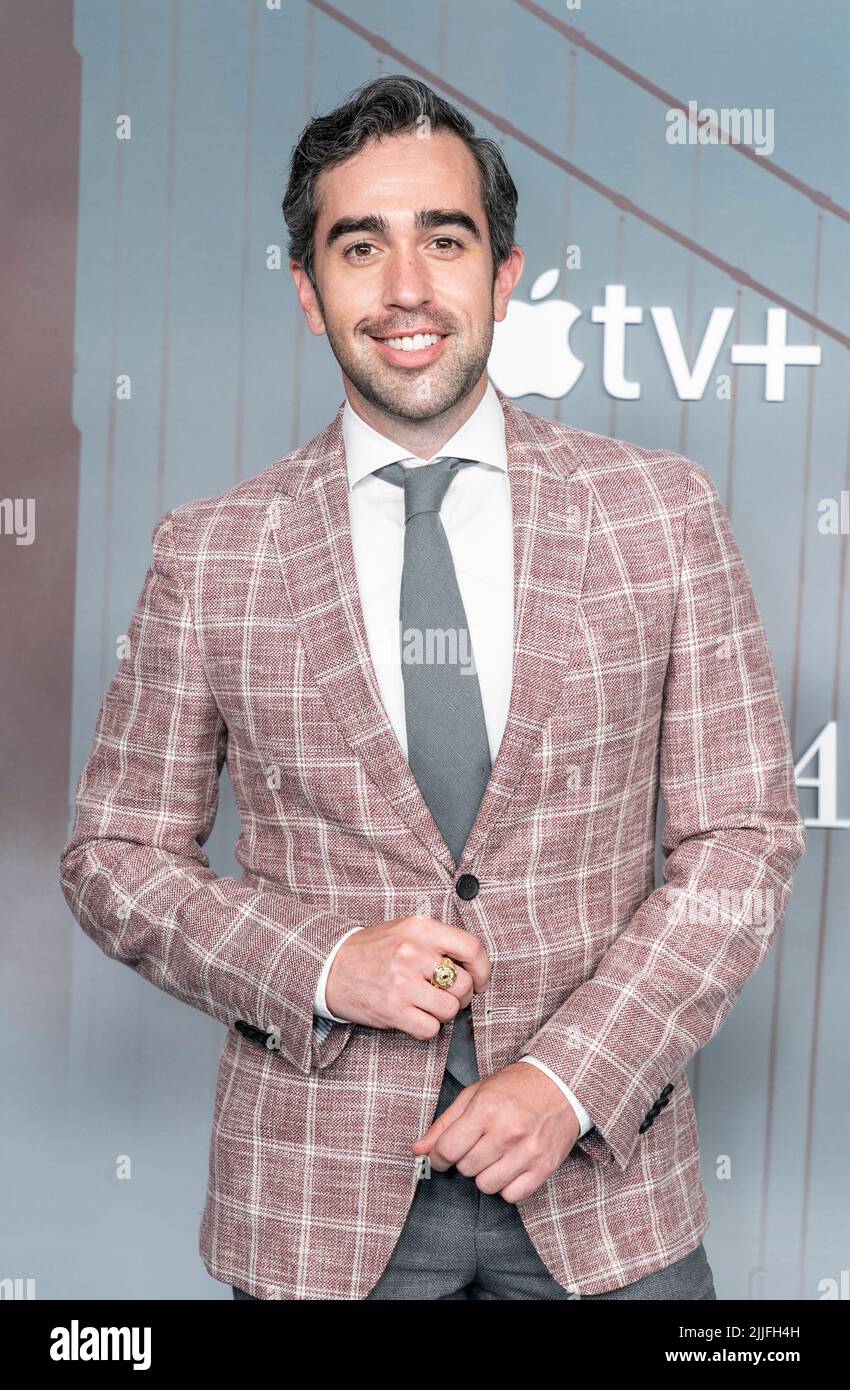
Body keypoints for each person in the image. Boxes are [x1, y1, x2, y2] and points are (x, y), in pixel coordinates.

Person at [59, 74, 805, 1301]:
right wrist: (320, 959)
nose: (406, 288)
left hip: (607, 1193)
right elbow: (114, 855)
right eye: (360, 246)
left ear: (504, 274)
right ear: (307, 291)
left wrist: (571, 1077)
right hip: (315, 1206)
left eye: (442, 240)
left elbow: (741, 838)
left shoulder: (661, 514)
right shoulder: (211, 552)